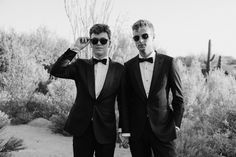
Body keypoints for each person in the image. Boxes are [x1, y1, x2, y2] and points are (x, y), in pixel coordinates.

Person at [50, 24, 128, 157]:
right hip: (82, 128)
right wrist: (75, 49)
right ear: (90, 44)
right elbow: (56, 70)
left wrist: (124, 131)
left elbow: (123, 103)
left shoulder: (119, 70)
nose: (99, 43)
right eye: (94, 40)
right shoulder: (80, 65)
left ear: (110, 43)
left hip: (106, 130)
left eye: (103, 40)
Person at [122, 19, 184, 157]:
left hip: (164, 129)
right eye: (136, 37)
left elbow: (178, 97)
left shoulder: (169, 63)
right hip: (137, 132)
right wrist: (125, 131)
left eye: (145, 36)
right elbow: (125, 102)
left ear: (153, 36)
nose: (140, 41)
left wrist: (176, 124)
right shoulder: (128, 66)